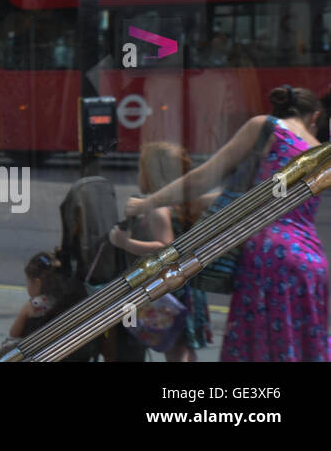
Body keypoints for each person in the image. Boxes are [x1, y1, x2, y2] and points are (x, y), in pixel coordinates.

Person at [125, 85, 329, 362]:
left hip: (267, 256)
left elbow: (202, 178)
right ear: (314, 117)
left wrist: (148, 202)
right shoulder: (319, 152)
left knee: (259, 347)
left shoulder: (267, 127)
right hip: (311, 263)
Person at [108, 141, 211, 361]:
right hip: (190, 283)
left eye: (141, 169)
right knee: (185, 346)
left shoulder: (157, 208)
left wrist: (125, 243)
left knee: (174, 349)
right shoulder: (181, 202)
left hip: (173, 291)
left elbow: (165, 247)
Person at [8, 252, 97, 361]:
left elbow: (13, 333)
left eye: (28, 282)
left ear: (37, 283)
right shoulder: (69, 299)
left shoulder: (33, 306)